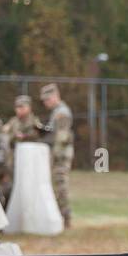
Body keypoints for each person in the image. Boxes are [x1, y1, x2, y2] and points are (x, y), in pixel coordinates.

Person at [1, 95, 49, 207]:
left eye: (22, 107)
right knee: (9, 189)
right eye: (17, 107)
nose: (19, 110)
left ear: (29, 108)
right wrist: (15, 136)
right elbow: (5, 138)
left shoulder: (34, 122)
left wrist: (26, 136)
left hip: (29, 163)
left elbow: (39, 137)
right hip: (13, 162)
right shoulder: (13, 122)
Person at [39, 84, 74, 228]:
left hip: (61, 156)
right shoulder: (56, 112)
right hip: (57, 153)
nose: (45, 103)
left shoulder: (62, 113)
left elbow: (62, 137)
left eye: (47, 100)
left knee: (60, 185)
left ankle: (65, 218)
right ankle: (60, 217)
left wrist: (55, 156)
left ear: (54, 97)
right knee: (56, 186)